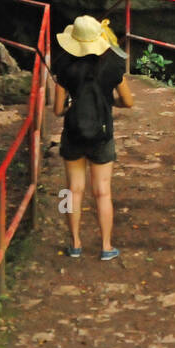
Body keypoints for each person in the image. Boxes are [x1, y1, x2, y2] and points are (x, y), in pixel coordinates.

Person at [52, 15, 134, 261]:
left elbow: (57, 110)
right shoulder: (113, 65)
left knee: (71, 191)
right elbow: (128, 102)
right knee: (103, 192)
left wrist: (71, 104)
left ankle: (74, 243)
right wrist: (109, 103)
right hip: (102, 134)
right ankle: (107, 246)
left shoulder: (64, 65)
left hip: (73, 134)